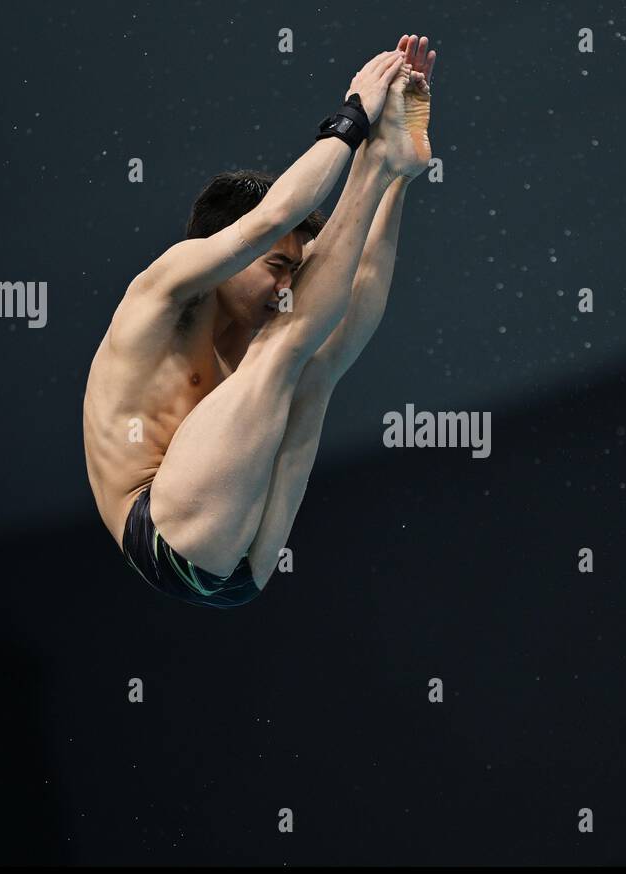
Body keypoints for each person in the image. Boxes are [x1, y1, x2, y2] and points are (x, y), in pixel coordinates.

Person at [82, 35, 436, 607]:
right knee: (287, 343)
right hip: (162, 532)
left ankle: (387, 171)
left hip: (244, 565)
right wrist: (354, 115)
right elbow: (278, 214)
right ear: (227, 252)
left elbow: (356, 284)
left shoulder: (257, 327)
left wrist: (395, 177)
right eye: (275, 264)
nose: (283, 286)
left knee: (318, 365)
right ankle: (376, 163)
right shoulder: (163, 291)